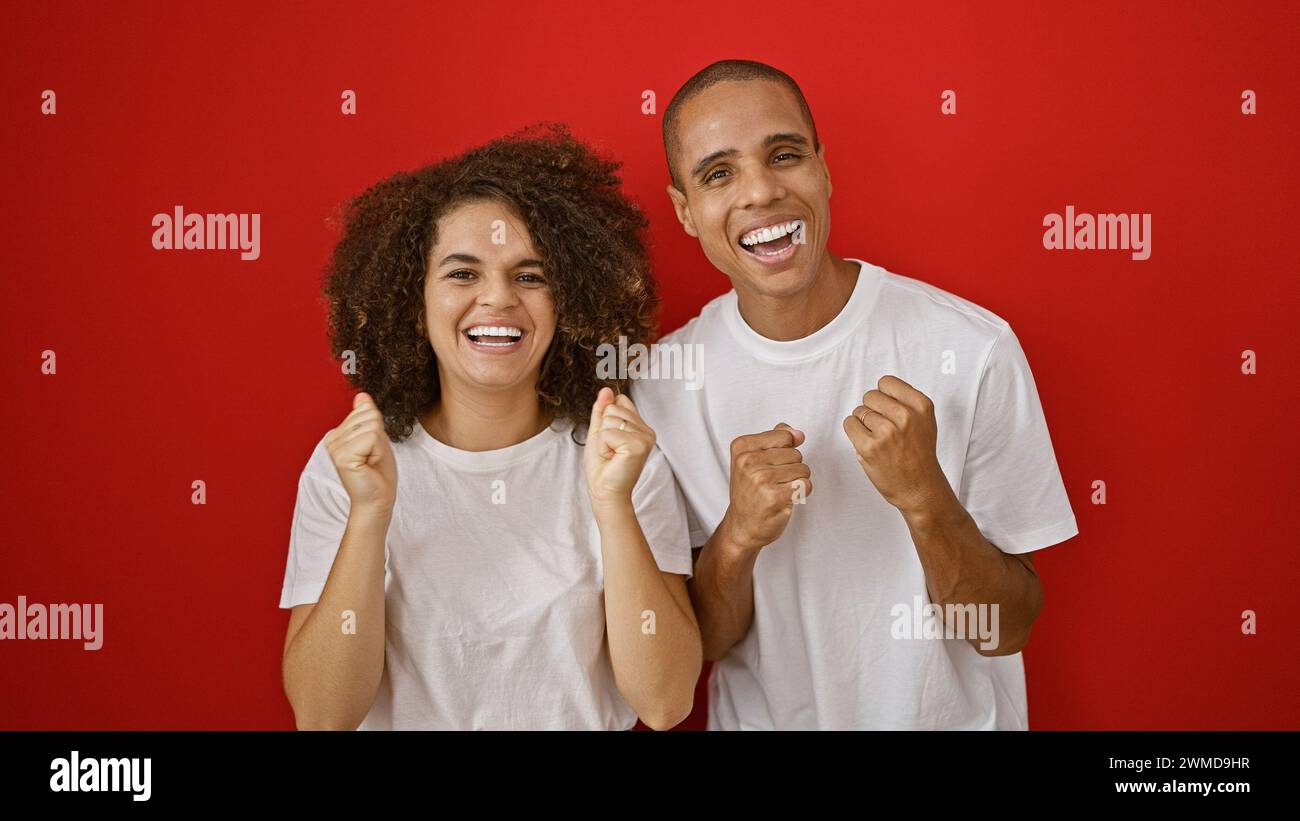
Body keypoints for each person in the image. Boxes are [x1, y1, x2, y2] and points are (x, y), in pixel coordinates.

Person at [631, 60, 1079, 730]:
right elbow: (707, 644)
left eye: (784, 155)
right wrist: (737, 537)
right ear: (685, 212)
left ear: (824, 171)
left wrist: (927, 498)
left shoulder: (973, 348)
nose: (761, 191)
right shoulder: (661, 385)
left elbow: (1006, 627)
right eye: (719, 173)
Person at [278, 123, 701, 730]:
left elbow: (663, 704)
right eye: (462, 273)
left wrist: (613, 508)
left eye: (530, 276)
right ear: (413, 302)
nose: (498, 299)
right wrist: (370, 516)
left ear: (569, 302)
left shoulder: (623, 463)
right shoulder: (348, 469)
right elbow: (322, 716)